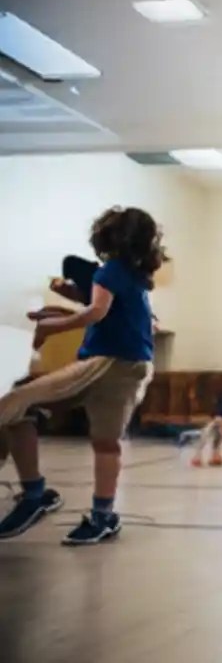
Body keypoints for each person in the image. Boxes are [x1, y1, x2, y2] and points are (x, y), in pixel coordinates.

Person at [0, 206, 162, 544]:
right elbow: (116, 314)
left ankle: (36, 494)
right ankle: (101, 515)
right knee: (105, 443)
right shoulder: (137, 277)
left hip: (109, 365)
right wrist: (65, 307)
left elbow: (96, 312)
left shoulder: (111, 271)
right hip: (131, 367)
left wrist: (50, 325)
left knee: (17, 402)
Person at [190, 377, 222, 467]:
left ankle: (214, 455)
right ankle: (199, 456)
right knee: (208, 433)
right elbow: (219, 409)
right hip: (218, 417)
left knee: (218, 435)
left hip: (221, 417)